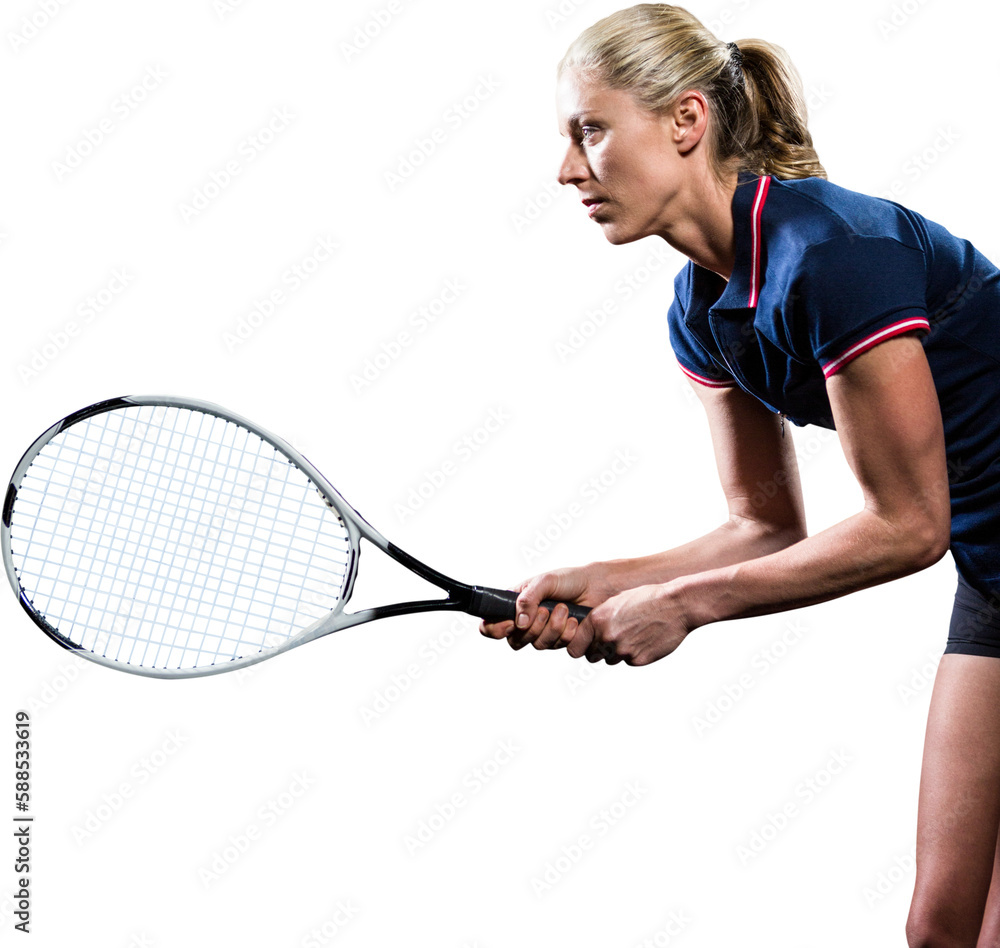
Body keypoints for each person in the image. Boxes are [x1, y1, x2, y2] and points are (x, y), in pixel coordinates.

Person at [479, 5, 1000, 946]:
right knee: (942, 929)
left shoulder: (831, 257)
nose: (567, 170)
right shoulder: (701, 312)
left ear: (686, 122)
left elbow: (909, 529)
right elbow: (764, 523)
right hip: (997, 568)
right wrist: (607, 583)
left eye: (589, 130)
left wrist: (684, 606)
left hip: (969, 548)